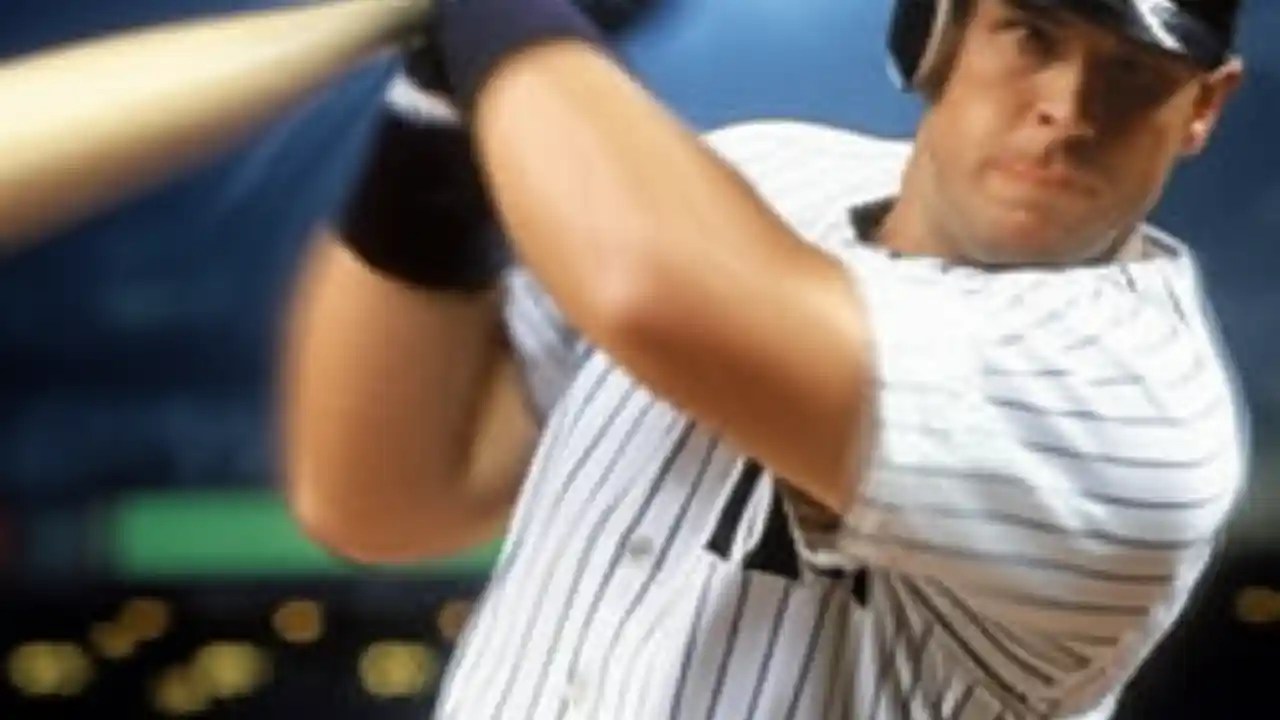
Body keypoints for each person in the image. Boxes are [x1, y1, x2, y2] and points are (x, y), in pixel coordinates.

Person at [282, 0, 1251, 717]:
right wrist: (436, 111)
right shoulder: (753, 177)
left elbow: (644, 283)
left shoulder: (1140, 404)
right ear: (935, 29)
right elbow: (376, 495)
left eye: (1132, 70)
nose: (1066, 108)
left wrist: (512, 25)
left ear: (1202, 107)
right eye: (1031, 34)